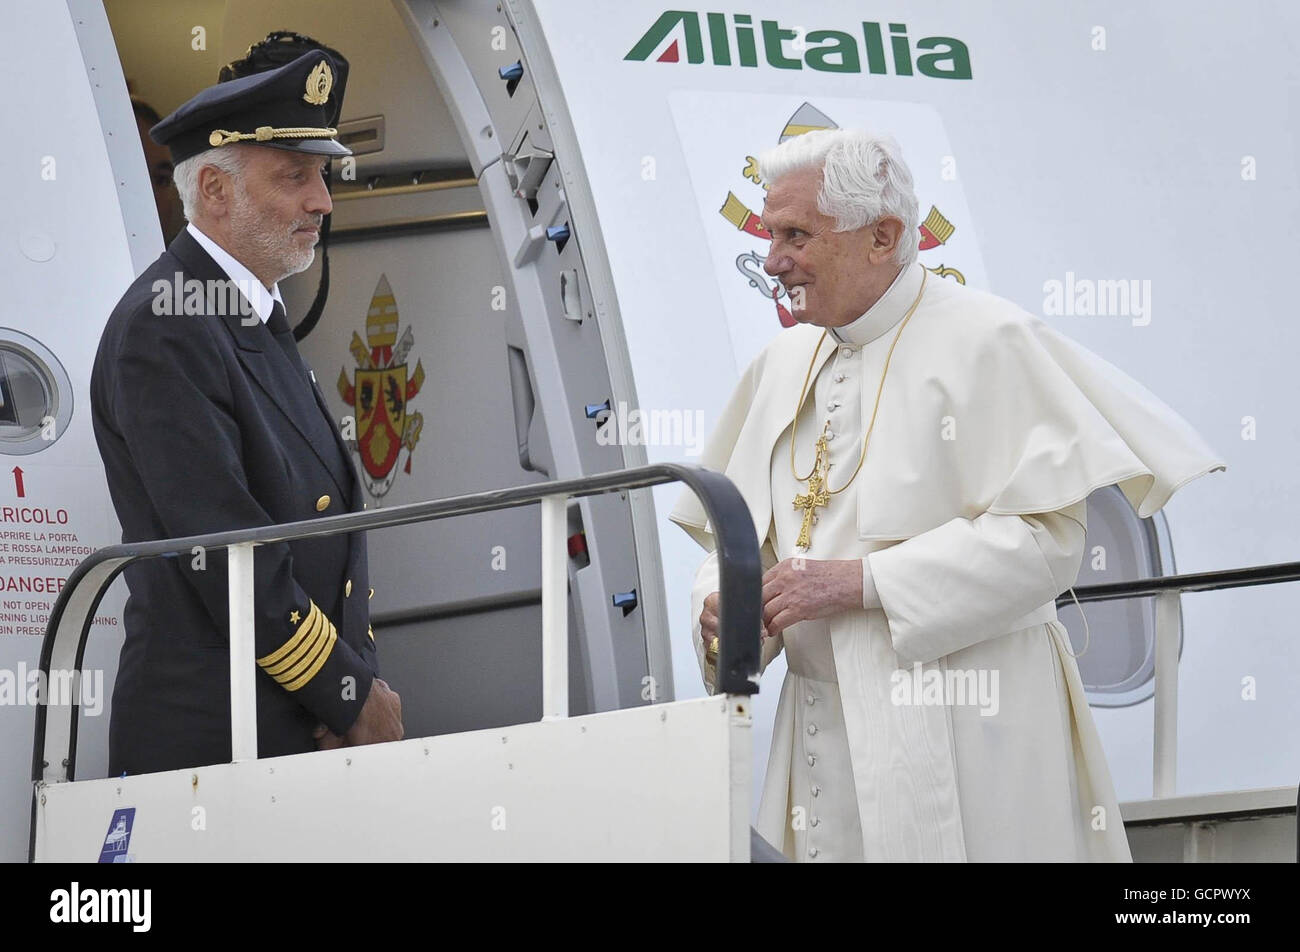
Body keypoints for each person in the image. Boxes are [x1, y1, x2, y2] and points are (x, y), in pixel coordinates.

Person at [669, 128, 1225, 862]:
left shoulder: (990, 340)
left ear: (883, 236)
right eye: (770, 236)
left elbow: (1048, 544)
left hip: (973, 724)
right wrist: (730, 603)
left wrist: (860, 583)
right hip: (822, 729)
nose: (773, 261)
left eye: (795, 235)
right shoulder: (781, 363)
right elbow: (739, 535)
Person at [91, 50, 402, 776]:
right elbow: (229, 553)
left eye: (320, 177)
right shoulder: (164, 327)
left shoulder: (248, 313)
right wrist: (351, 699)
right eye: (295, 178)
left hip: (293, 733)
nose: (322, 201)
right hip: (217, 746)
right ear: (214, 191)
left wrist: (344, 699)